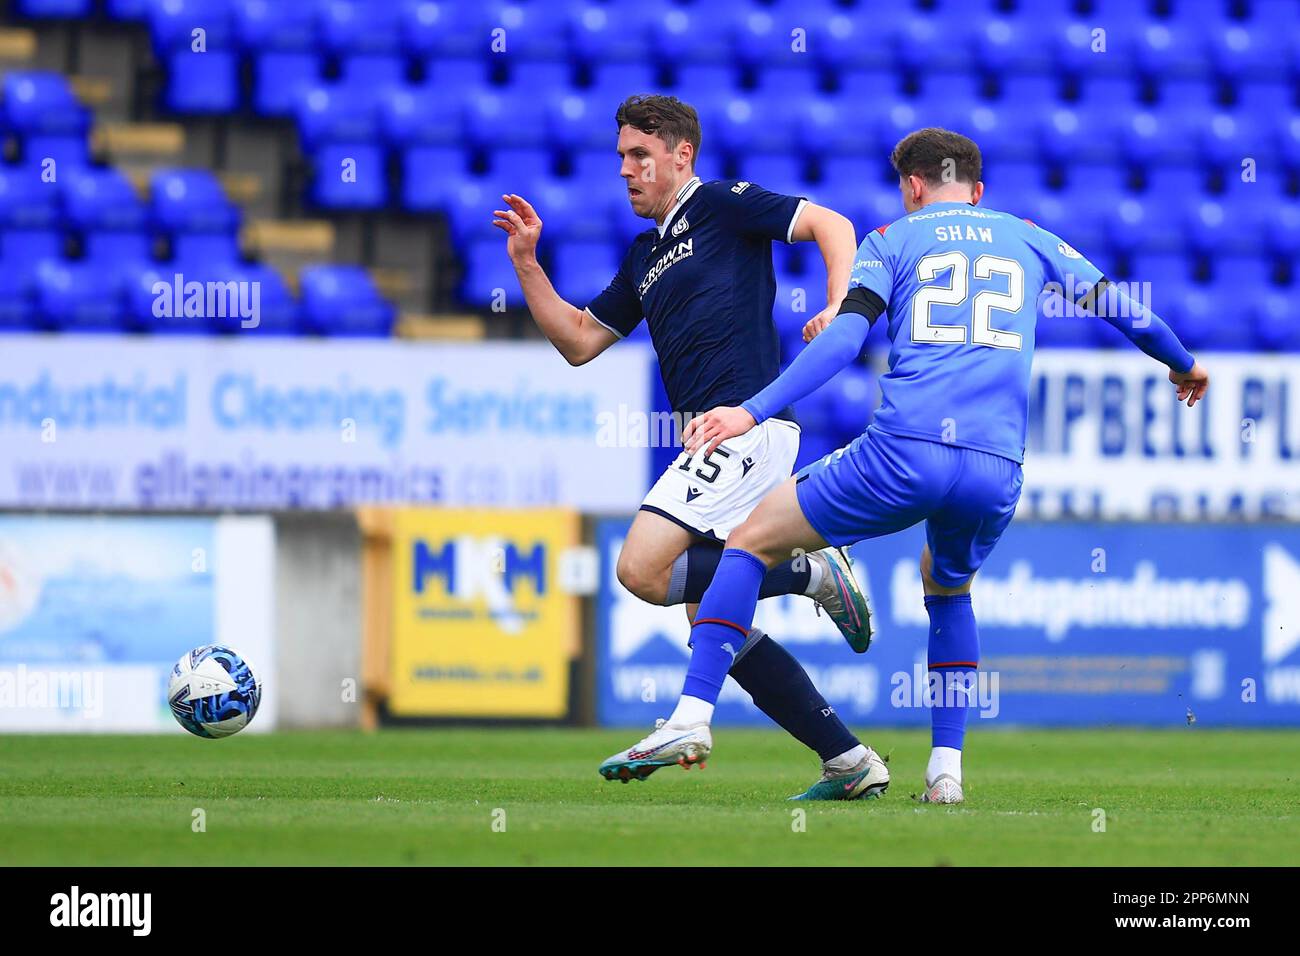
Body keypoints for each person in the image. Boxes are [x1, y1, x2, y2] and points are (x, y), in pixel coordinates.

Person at [603, 126, 1210, 804]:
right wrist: (1183, 364)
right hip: (995, 466)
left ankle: (692, 717)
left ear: (913, 186)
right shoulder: (1029, 235)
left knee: (749, 541)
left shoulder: (891, 241)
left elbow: (840, 347)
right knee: (947, 587)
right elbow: (1121, 308)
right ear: (976, 191)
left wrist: (751, 409)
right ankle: (945, 773)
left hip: (904, 452)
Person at [494, 94, 885, 800]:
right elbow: (581, 341)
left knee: (641, 569)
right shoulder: (645, 253)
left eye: (640, 155)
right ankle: (848, 760)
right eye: (620, 157)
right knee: (710, 617)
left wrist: (838, 306)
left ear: (682, 155)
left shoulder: (725, 205)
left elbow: (833, 222)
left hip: (749, 423)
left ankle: (807, 572)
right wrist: (527, 264)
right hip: (707, 438)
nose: (626, 170)